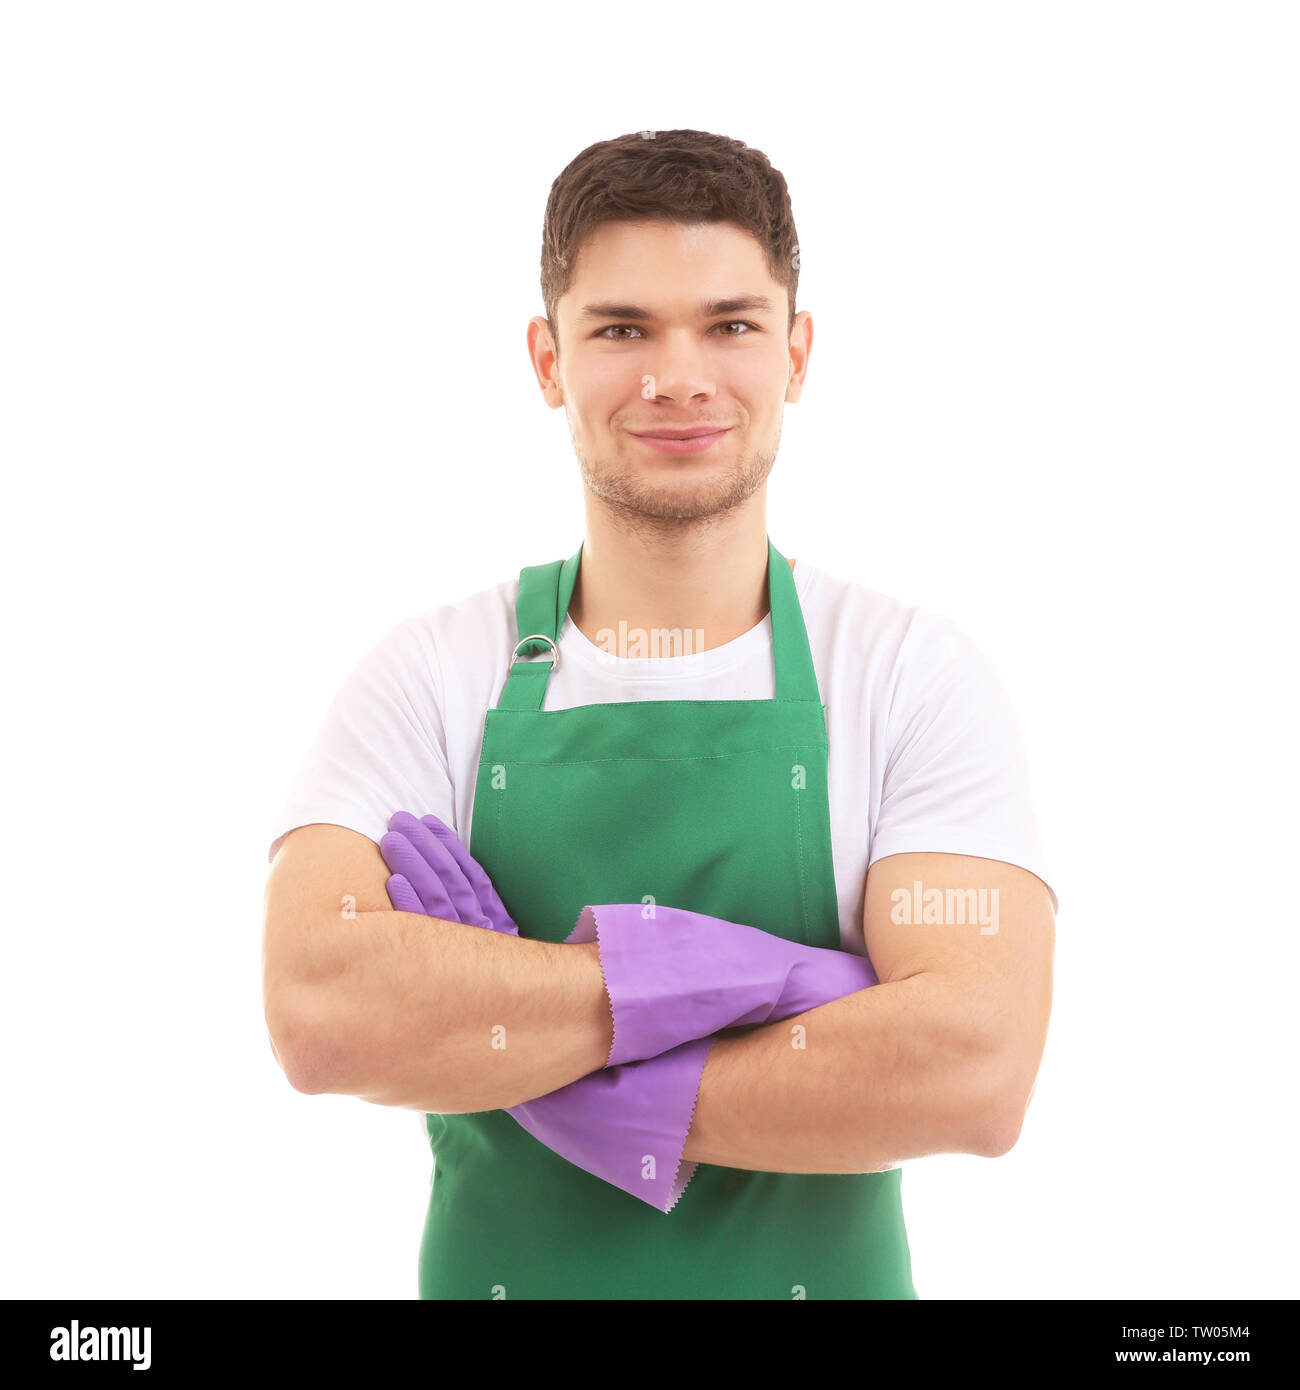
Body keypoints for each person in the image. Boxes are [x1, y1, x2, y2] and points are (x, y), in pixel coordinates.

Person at [261, 128, 1057, 1300]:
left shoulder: (910, 675)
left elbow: (973, 1069)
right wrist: (734, 979)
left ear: (796, 351)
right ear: (548, 360)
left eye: (730, 324)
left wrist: (542, 1052)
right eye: (622, 328)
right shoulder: (430, 673)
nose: (677, 375)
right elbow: (322, 1007)